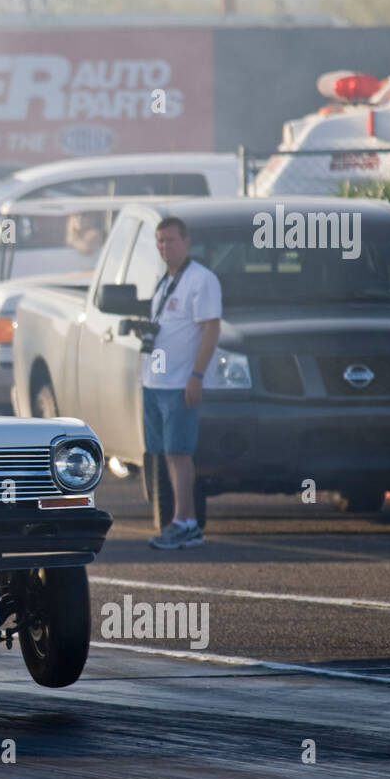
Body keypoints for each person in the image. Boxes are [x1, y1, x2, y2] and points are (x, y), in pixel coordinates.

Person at [143, 217, 222, 550]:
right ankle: (178, 520)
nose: (165, 247)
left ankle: (186, 522)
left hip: (180, 382)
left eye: (171, 241)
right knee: (163, 453)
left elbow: (212, 328)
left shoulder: (201, 280)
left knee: (179, 453)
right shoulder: (163, 281)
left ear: (186, 242)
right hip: (155, 381)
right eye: (160, 241)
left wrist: (197, 375)